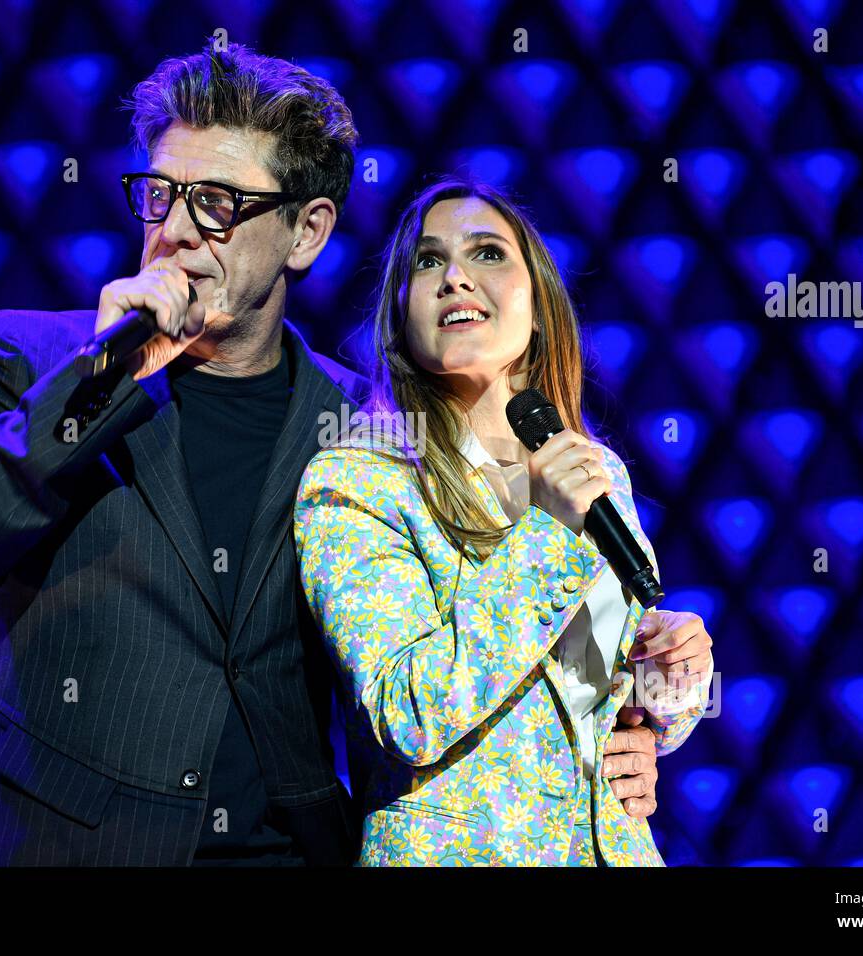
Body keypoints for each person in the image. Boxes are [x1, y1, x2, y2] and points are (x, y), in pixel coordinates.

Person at [0, 41, 366, 865]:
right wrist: (105, 377)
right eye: (159, 196)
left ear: (307, 232)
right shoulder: (29, 355)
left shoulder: (360, 417)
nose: (175, 232)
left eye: (217, 202)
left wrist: (633, 699)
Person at [293, 178, 715, 866]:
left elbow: (585, 697)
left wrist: (669, 679)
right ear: (402, 314)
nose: (455, 276)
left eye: (486, 254)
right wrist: (548, 533)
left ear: (538, 301)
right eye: (427, 263)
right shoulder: (356, 481)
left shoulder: (593, 469)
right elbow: (408, 710)